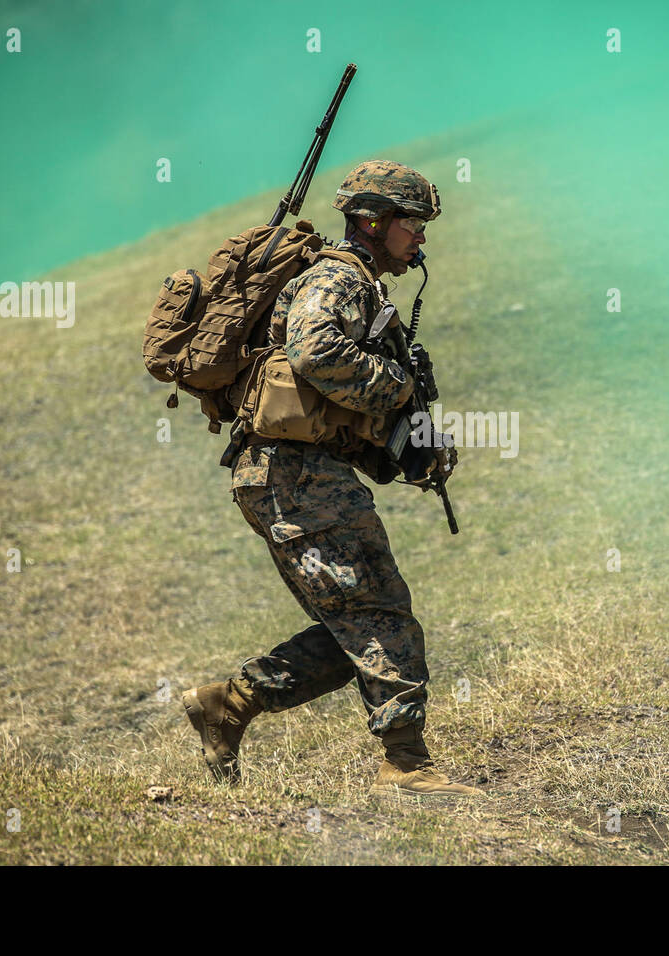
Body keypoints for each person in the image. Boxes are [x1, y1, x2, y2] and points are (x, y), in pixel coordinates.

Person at [180, 160, 482, 799]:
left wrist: (409, 447)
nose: (421, 239)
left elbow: (333, 398)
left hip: (290, 474)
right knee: (377, 612)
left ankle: (227, 706)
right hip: (293, 476)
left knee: (357, 619)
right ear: (374, 222)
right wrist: (398, 387)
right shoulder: (338, 278)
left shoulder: (359, 286)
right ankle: (405, 767)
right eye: (413, 224)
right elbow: (315, 354)